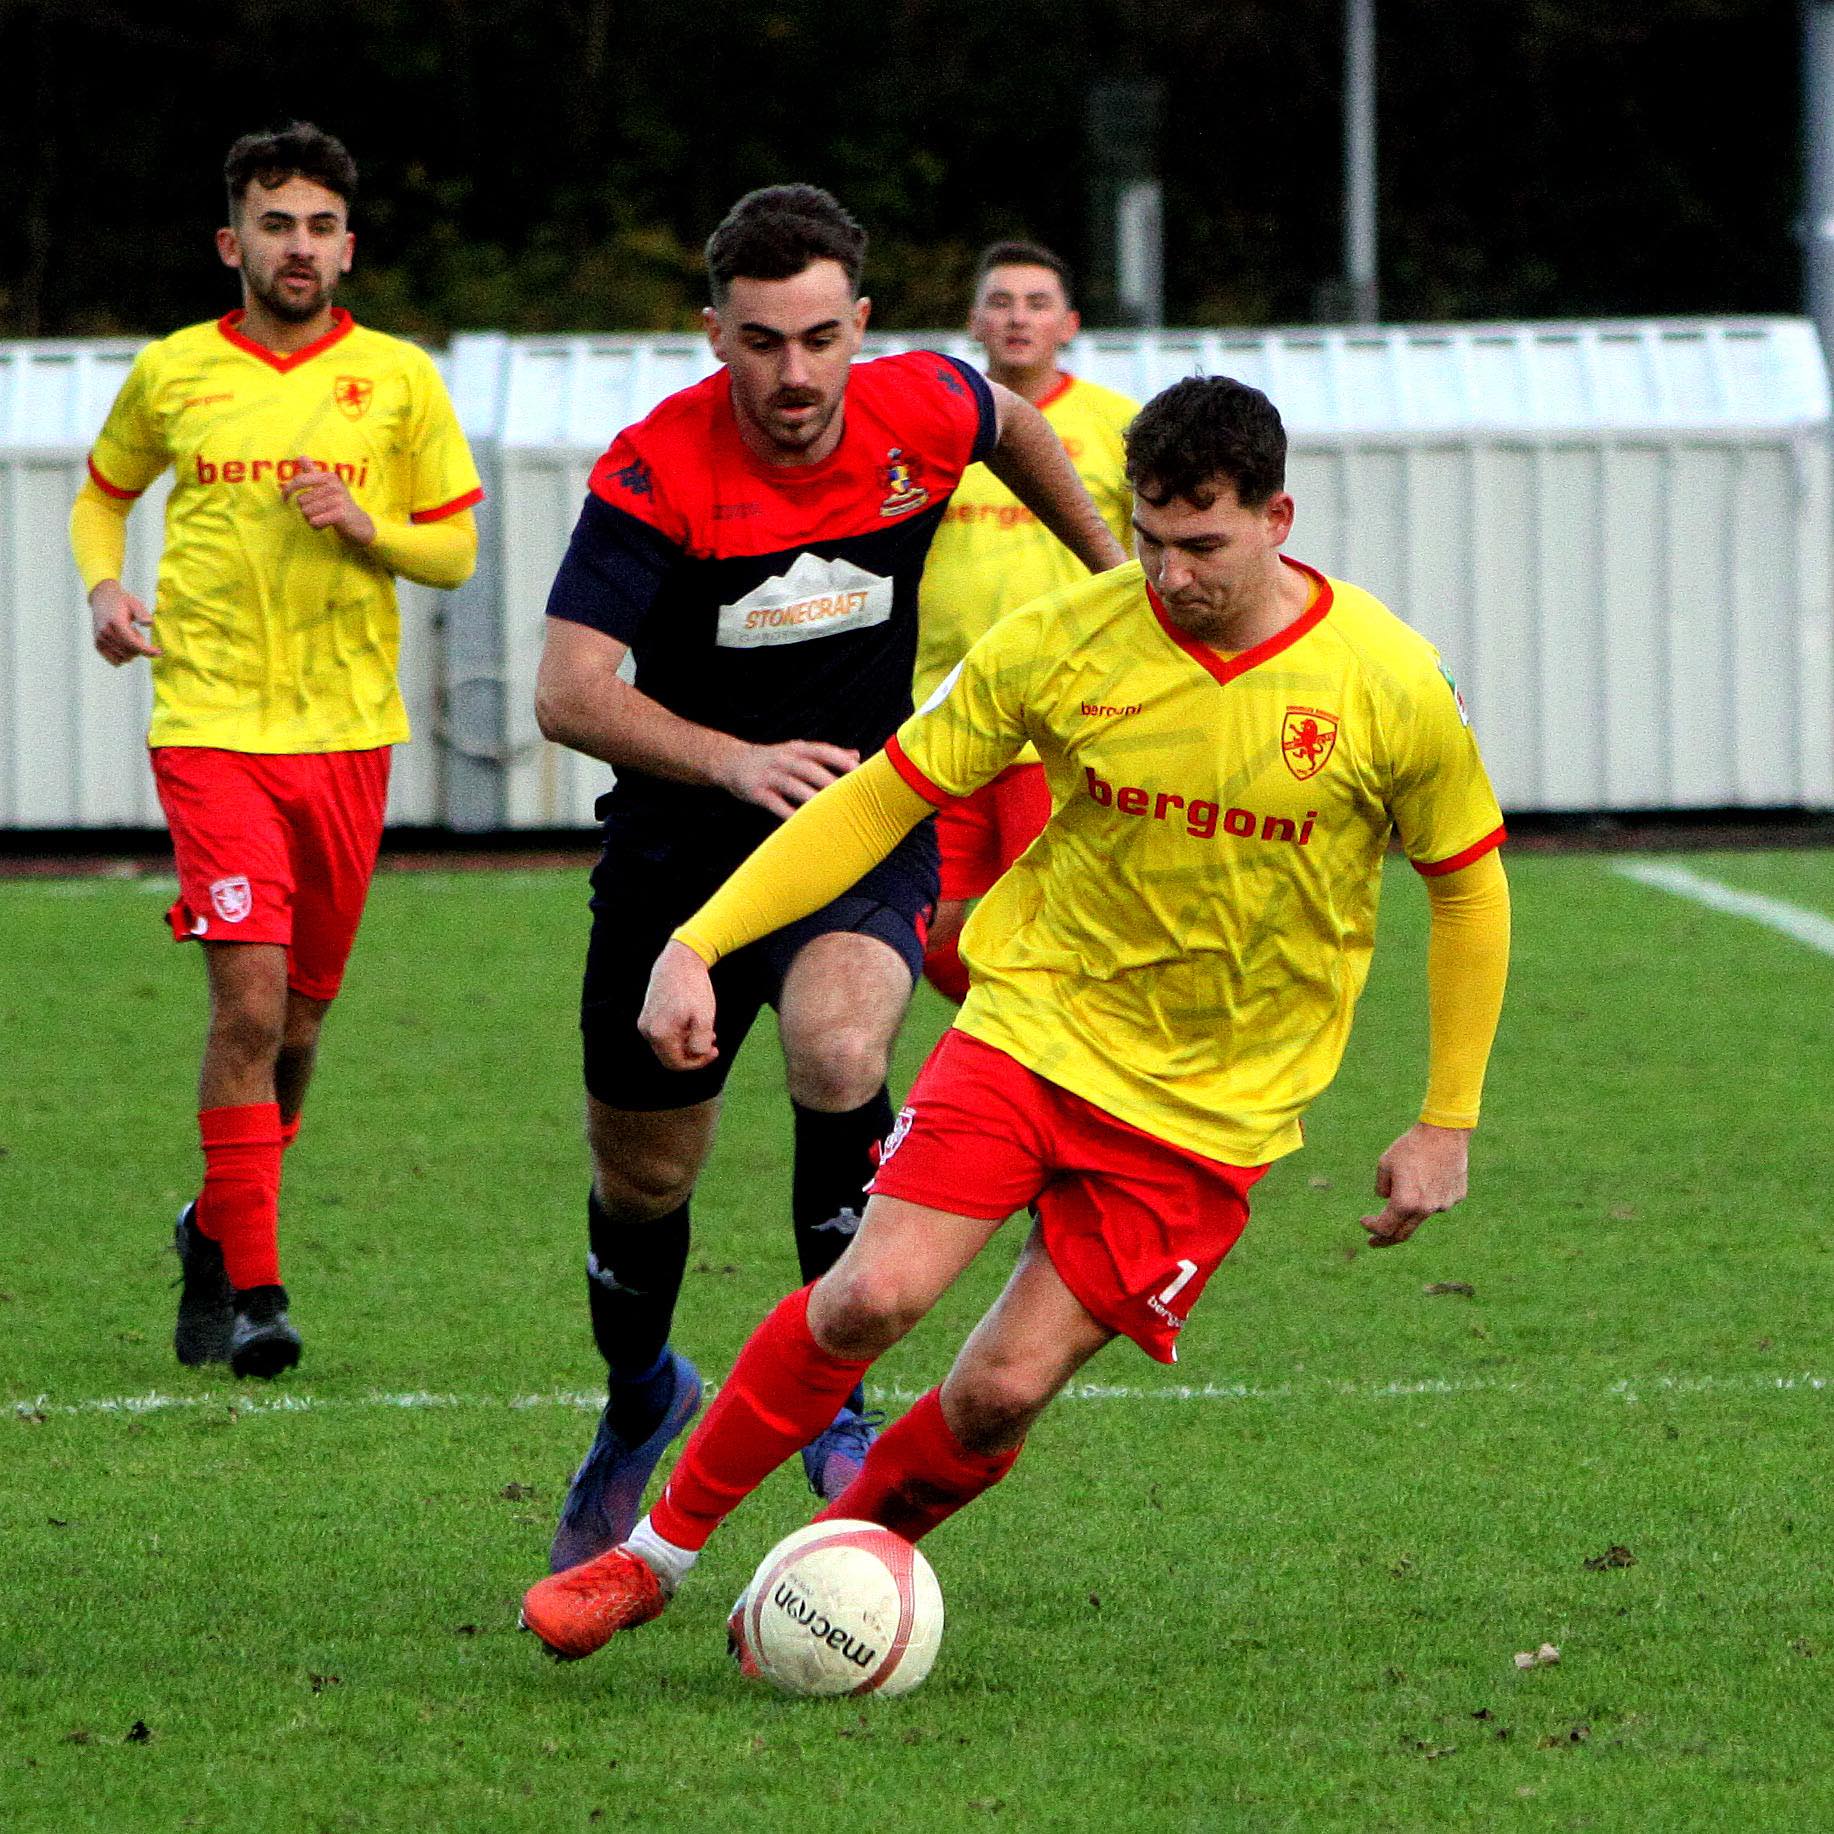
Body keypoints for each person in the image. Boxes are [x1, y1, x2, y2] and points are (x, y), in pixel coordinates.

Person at [518, 374, 1512, 1662]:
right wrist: (698, 942)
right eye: (1149, 538)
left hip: (1212, 1106)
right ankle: (649, 1559)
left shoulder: (1387, 681)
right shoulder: (1066, 640)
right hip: (1034, 1029)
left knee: (995, 1394)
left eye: (1201, 544)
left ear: (1278, 517)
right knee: (867, 1297)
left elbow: (1468, 890)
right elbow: (877, 802)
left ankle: (819, 1577)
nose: (1169, 574)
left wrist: (1447, 1118)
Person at [532, 185, 1127, 1575]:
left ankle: (835, 1405)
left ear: (860, 323)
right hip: (680, 860)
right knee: (643, 1178)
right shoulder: (653, 469)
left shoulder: (922, 406)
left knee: (840, 1037)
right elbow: (567, 691)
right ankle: (639, 1397)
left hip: (863, 826)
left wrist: (1115, 580)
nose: (792, 375)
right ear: (712, 335)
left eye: (817, 337)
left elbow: (1011, 419)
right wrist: (732, 761)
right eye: (757, 342)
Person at [69, 122, 483, 1379]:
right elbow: (103, 492)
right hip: (209, 726)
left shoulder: (400, 380)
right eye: (272, 223)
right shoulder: (175, 370)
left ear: (347, 247)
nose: (295, 247)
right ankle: (259, 1290)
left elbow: (454, 550)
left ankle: (213, 1222)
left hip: (348, 735)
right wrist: (102, 589)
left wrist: (370, 527)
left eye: (317, 226)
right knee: (245, 1001)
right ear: (230, 240)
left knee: (298, 1031)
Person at [915, 241, 1137, 1001]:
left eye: (1037, 303)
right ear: (974, 320)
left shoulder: (1116, 425)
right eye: (1001, 302)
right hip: (941, 708)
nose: (1018, 317)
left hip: (1062, 715)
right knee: (922, 932)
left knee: (1048, 927)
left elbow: (1157, 564)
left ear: (1069, 323)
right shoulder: (934, 423)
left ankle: (1050, 1068)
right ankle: (1026, 1046)